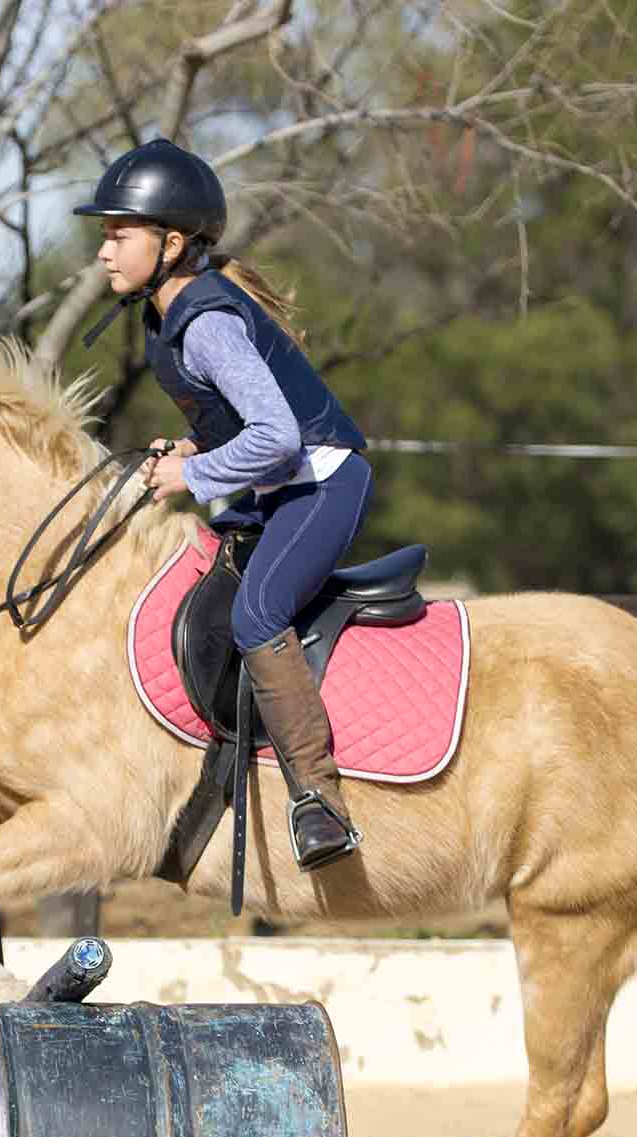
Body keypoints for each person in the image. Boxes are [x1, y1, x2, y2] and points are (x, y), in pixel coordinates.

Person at [75, 138, 373, 870]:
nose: (105, 251)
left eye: (120, 235)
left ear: (172, 243)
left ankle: (319, 802)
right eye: (104, 235)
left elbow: (274, 438)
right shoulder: (169, 311)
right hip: (279, 485)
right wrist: (191, 448)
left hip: (322, 481)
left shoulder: (205, 321)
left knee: (256, 613)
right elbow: (239, 420)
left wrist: (193, 475)